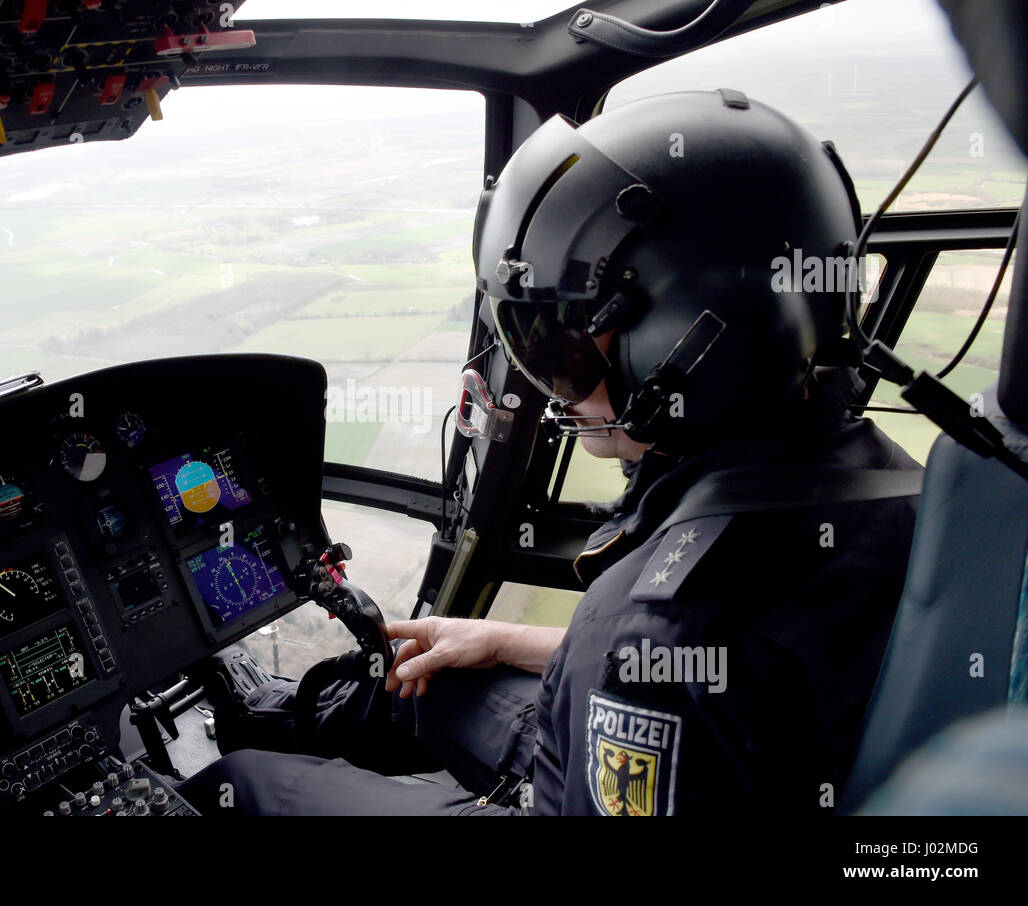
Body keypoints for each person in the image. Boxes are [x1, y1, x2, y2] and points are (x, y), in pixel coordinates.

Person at [177, 89, 921, 815]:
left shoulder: (651, 627)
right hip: (711, 754)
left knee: (241, 784)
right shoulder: (896, 483)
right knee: (426, 679)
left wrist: (597, 656)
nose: (550, 388)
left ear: (683, 347)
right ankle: (273, 711)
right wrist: (507, 640)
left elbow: (667, 667)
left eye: (557, 349)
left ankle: (238, 752)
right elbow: (734, 674)